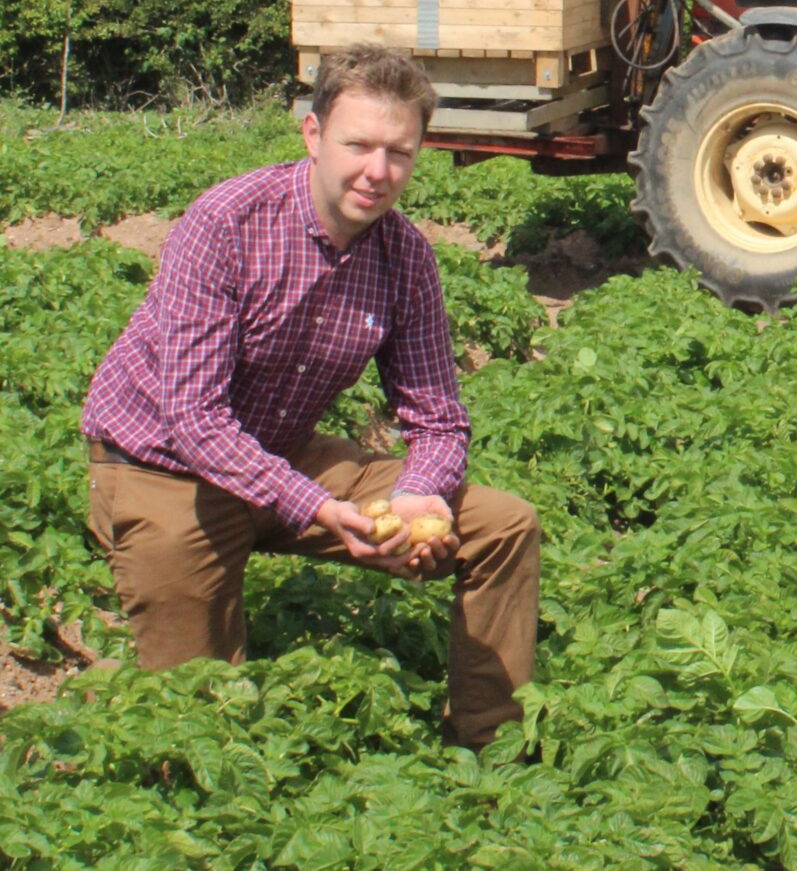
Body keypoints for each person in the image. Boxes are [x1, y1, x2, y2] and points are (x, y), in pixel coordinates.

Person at [80, 43, 541, 749]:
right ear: (313, 134)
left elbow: (439, 417)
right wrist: (319, 507)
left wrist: (421, 493)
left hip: (279, 447)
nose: (377, 171)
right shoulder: (227, 224)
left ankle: (491, 748)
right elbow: (193, 418)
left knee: (502, 523)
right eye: (359, 144)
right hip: (159, 467)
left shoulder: (405, 255)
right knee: (195, 717)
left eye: (400, 151)